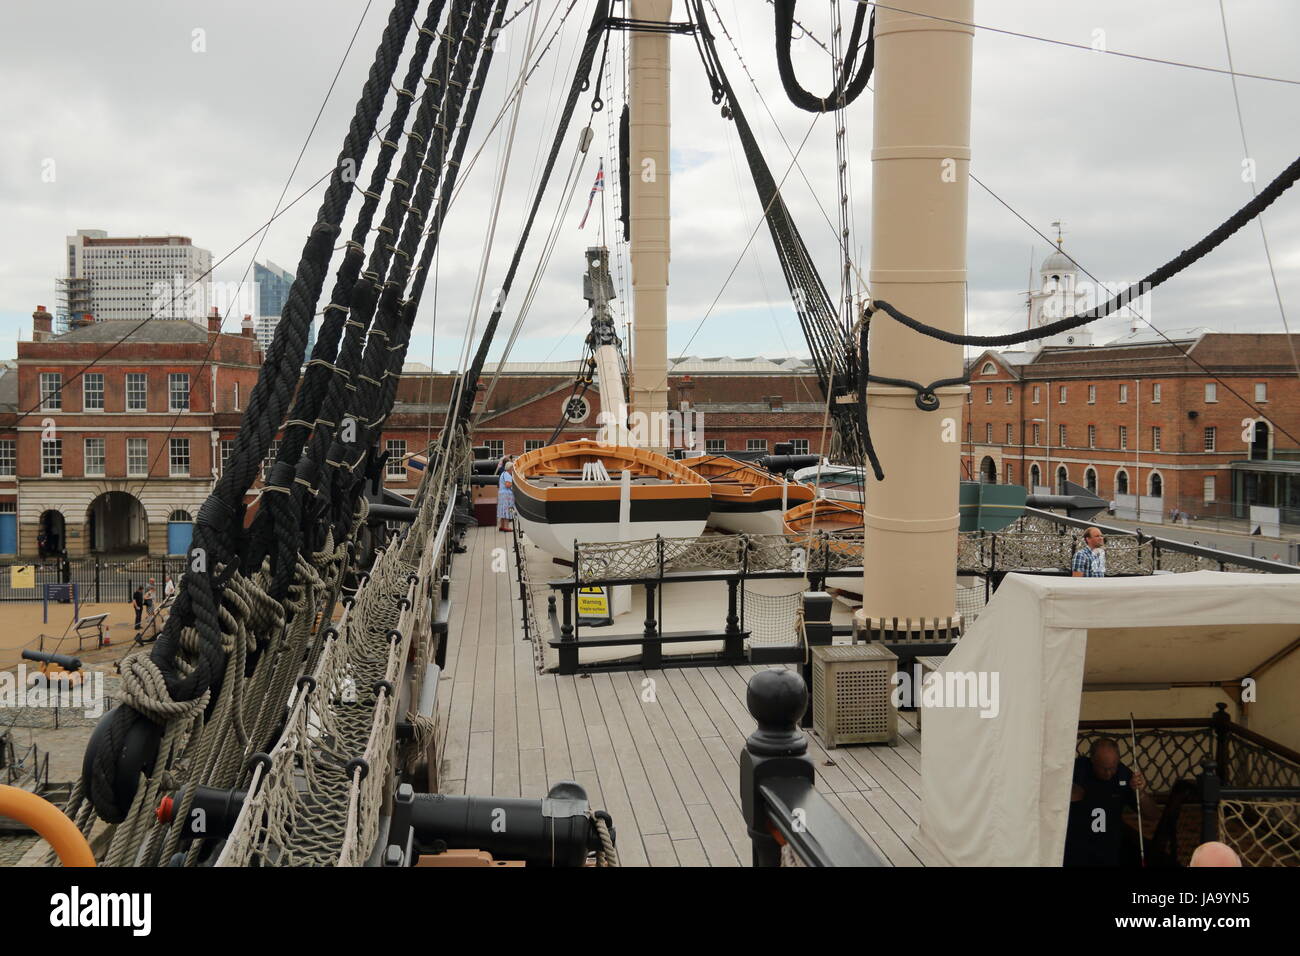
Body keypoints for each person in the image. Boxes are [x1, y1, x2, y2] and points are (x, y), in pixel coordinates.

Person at [1064, 738, 1157, 866]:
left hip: (1109, 847)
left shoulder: (1123, 774)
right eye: (1103, 769)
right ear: (1092, 761)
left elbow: (1152, 815)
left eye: (1113, 768)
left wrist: (1140, 793)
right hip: (1076, 845)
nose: (1109, 774)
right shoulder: (1078, 769)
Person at [497, 458, 515, 532]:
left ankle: (502, 526)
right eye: (512, 468)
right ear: (510, 468)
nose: (513, 470)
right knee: (507, 510)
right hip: (506, 495)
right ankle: (506, 526)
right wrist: (514, 484)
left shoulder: (503, 473)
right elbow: (508, 484)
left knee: (502, 510)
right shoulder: (507, 474)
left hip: (502, 494)